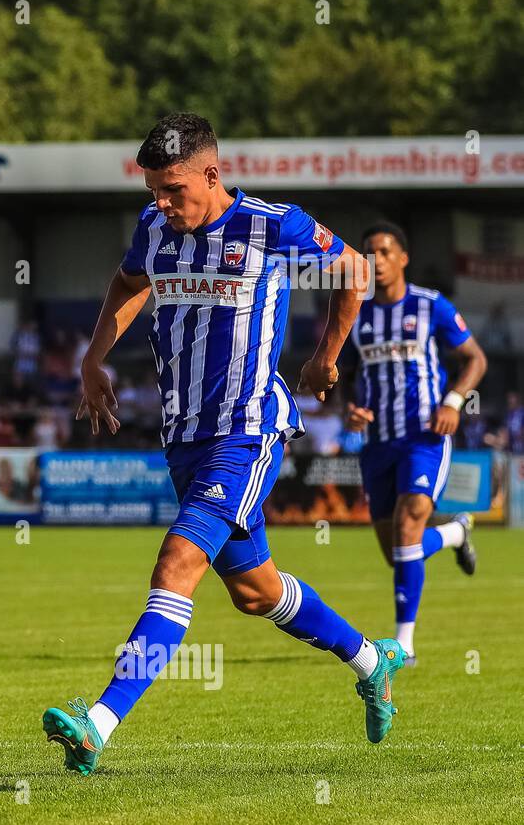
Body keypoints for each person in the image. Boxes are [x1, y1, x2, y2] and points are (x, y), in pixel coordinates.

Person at [42, 113, 401, 777]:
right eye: (153, 189)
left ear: (213, 174)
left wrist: (327, 358)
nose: (161, 202)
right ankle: (373, 662)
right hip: (184, 436)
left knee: (177, 564)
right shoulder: (154, 229)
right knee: (256, 592)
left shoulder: (272, 225)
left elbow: (353, 272)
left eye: (173, 189)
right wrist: (95, 358)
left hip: (248, 426)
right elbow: (128, 283)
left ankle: (97, 723)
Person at [343, 221, 488, 664]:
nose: (376, 260)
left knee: (408, 527)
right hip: (377, 443)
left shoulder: (431, 306)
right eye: (369, 252)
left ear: (402, 258)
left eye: (385, 251)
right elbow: (344, 374)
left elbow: (474, 359)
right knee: (396, 552)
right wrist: (349, 408)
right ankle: (455, 531)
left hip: (424, 437)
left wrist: (453, 401)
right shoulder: (355, 313)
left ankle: (404, 644)